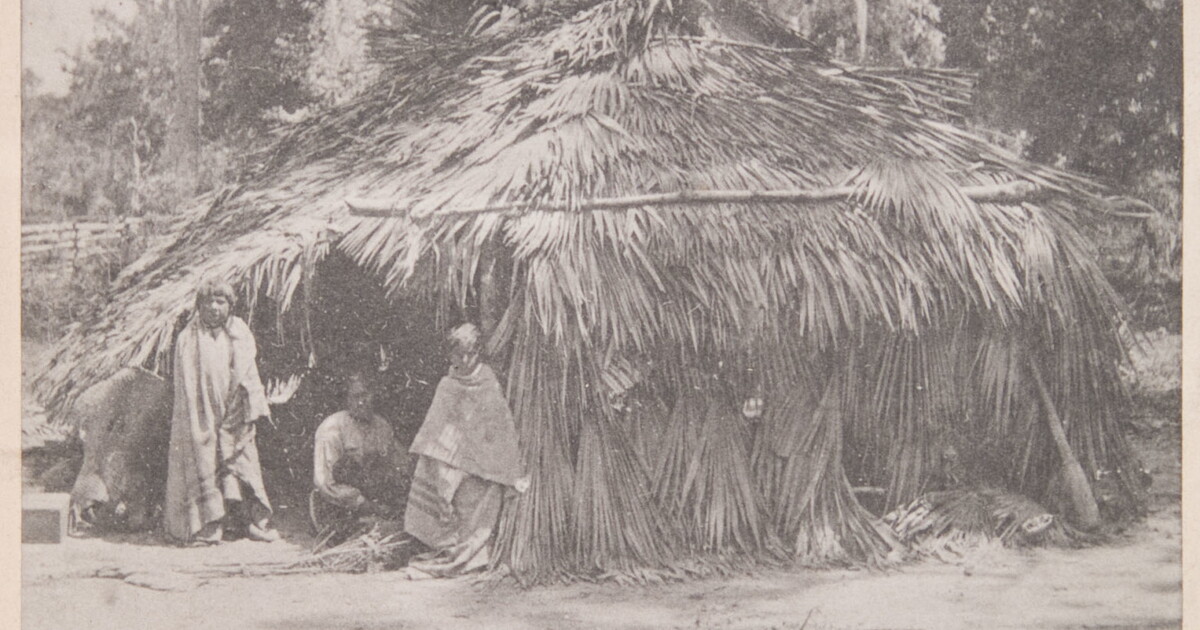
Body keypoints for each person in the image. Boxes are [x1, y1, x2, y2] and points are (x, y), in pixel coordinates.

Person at [403, 323, 529, 578]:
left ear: (478, 352)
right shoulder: (447, 386)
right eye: (457, 354)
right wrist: (450, 467)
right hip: (453, 463)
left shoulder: (488, 382)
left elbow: (499, 428)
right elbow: (436, 433)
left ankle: (475, 555)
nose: (462, 360)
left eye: (468, 354)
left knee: (487, 491)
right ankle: (454, 551)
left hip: (485, 466)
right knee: (447, 486)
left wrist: (495, 465)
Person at [164, 279, 279, 545]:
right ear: (199, 306)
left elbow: (249, 374)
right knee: (204, 464)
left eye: (221, 302)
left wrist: (246, 406)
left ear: (230, 305)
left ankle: (252, 521)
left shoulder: (240, 333)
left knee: (243, 464)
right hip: (201, 418)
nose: (214, 308)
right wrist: (202, 418)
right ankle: (209, 524)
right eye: (208, 302)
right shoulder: (188, 339)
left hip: (235, 414)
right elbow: (187, 387)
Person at [311, 372, 409, 537]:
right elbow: (325, 484)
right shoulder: (332, 429)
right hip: (338, 506)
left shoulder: (382, 426)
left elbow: (400, 464)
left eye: (366, 395)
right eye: (355, 397)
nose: (361, 402)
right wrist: (368, 506)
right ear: (346, 399)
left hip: (373, 502)